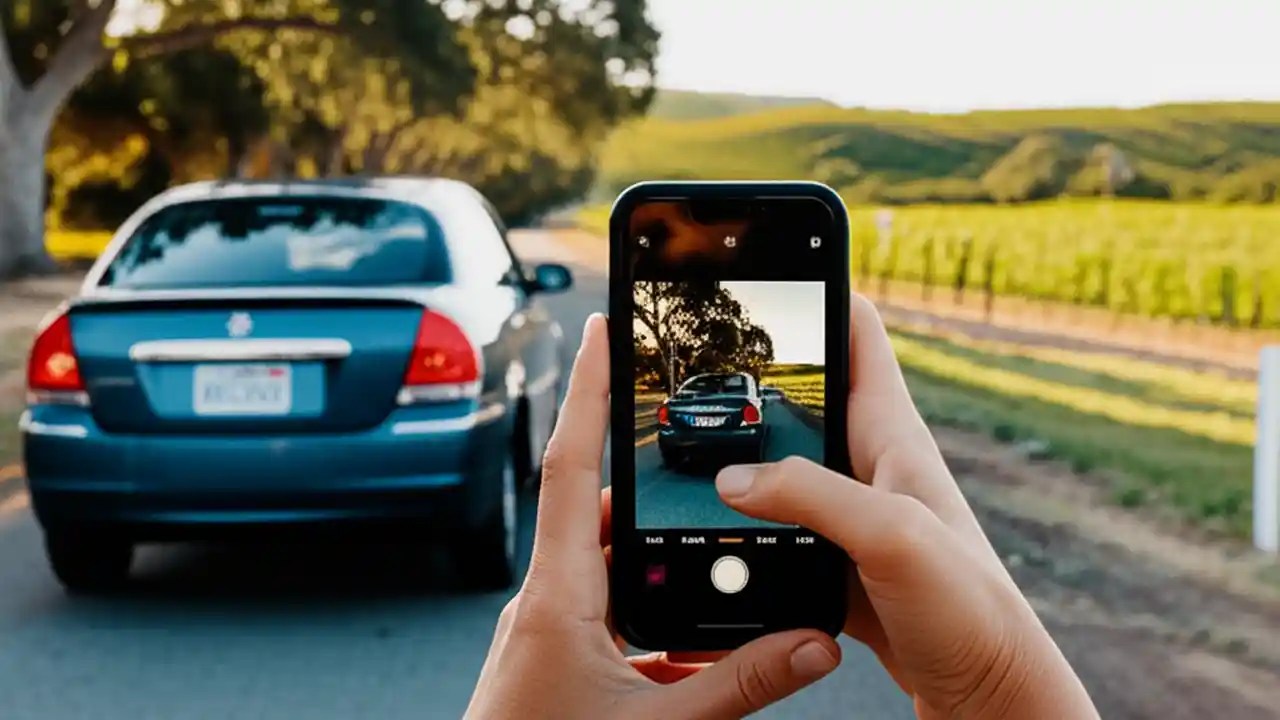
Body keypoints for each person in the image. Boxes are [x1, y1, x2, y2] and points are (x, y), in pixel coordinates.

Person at [465, 296, 1100, 719]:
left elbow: (672, 420)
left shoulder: (683, 405)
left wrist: (991, 685)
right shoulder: (742, 401)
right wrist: (996, 692)